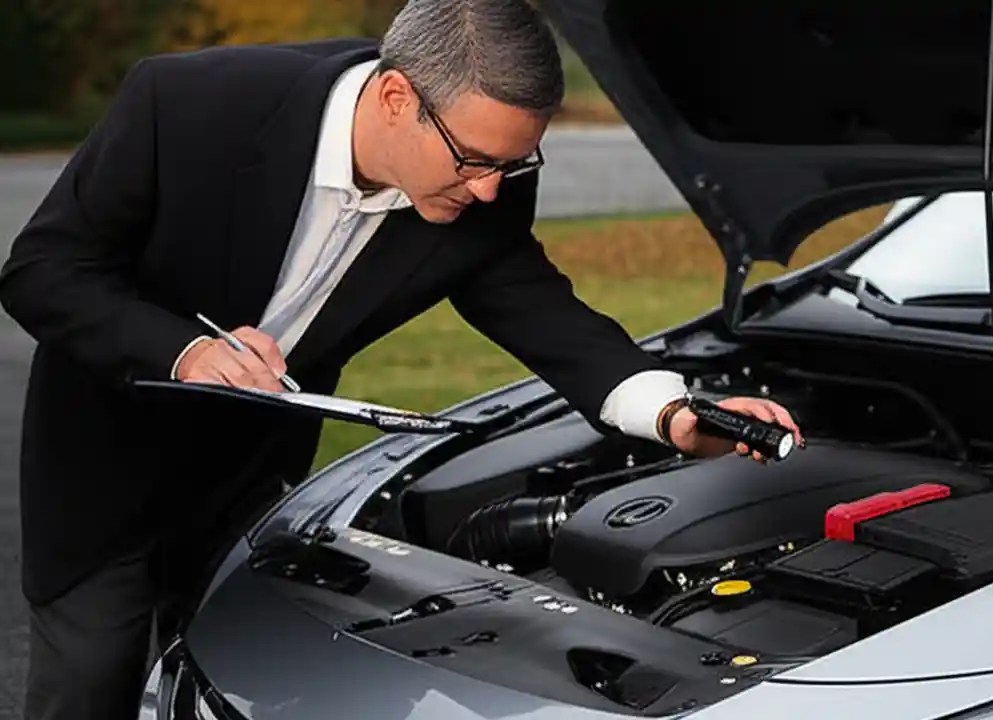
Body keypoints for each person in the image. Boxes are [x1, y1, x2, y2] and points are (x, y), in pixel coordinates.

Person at [0, 0, 803, 718]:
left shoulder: (484, 172)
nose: (490, 191)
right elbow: (43, 270)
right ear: (396, 99)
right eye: (475, 161)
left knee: (242, 682)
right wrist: (185, 350)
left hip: (252, 483)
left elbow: (541, 311)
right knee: (89, 684)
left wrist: (666, 409)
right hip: (104, 472)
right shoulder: (186, 103)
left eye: (513, 165)